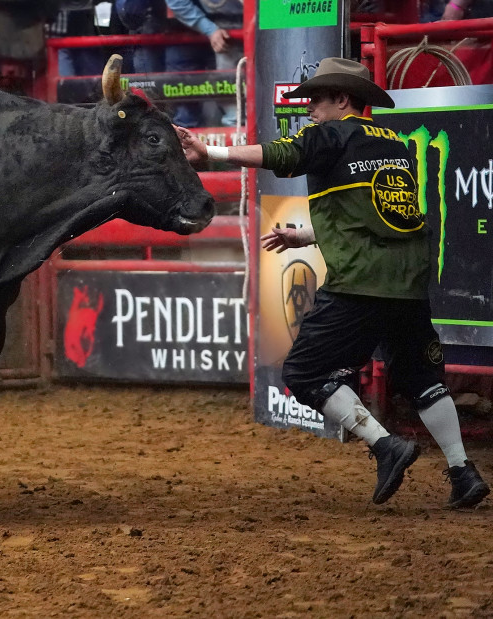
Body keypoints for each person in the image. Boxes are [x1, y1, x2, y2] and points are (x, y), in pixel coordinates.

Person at [179, 58, 490, 510]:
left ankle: (386, 445)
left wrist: (210, 152)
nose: (309, 109)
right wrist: (305, 235)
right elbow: (380, 212)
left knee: (304, 372)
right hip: (407, 281)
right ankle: (463, 471)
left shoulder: (329, 135)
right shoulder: (395, 144)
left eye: (317, 100)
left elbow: (278, 155)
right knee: (422, 377)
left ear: (343, 100)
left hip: (358, 282)